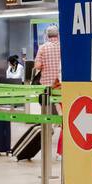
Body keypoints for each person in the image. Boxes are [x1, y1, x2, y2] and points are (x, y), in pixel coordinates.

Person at [33, 25, 62, 156]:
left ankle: (48, 128)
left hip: (46, 85)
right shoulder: (63, 47)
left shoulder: (43, 47)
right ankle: (62, 129)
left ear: (47, 36)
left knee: (46, 107)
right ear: (58, 35)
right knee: (61, 108)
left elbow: (37, 65)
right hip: (60, 84)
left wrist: (44, 65)